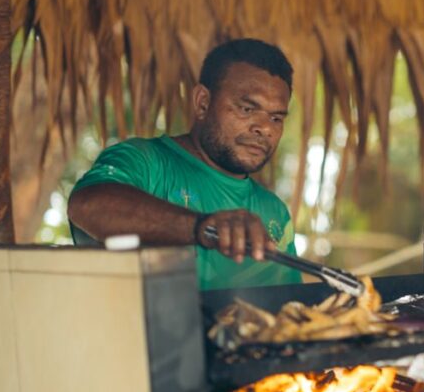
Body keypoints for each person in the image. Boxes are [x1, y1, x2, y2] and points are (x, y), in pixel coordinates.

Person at [69, 38, 302, 291]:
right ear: (203, 102)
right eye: (247, 109)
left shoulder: (275, 212)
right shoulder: (145, 161)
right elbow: (88, 205)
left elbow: (291, 310)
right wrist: (202, 227)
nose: (265, 128)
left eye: (276, 117)